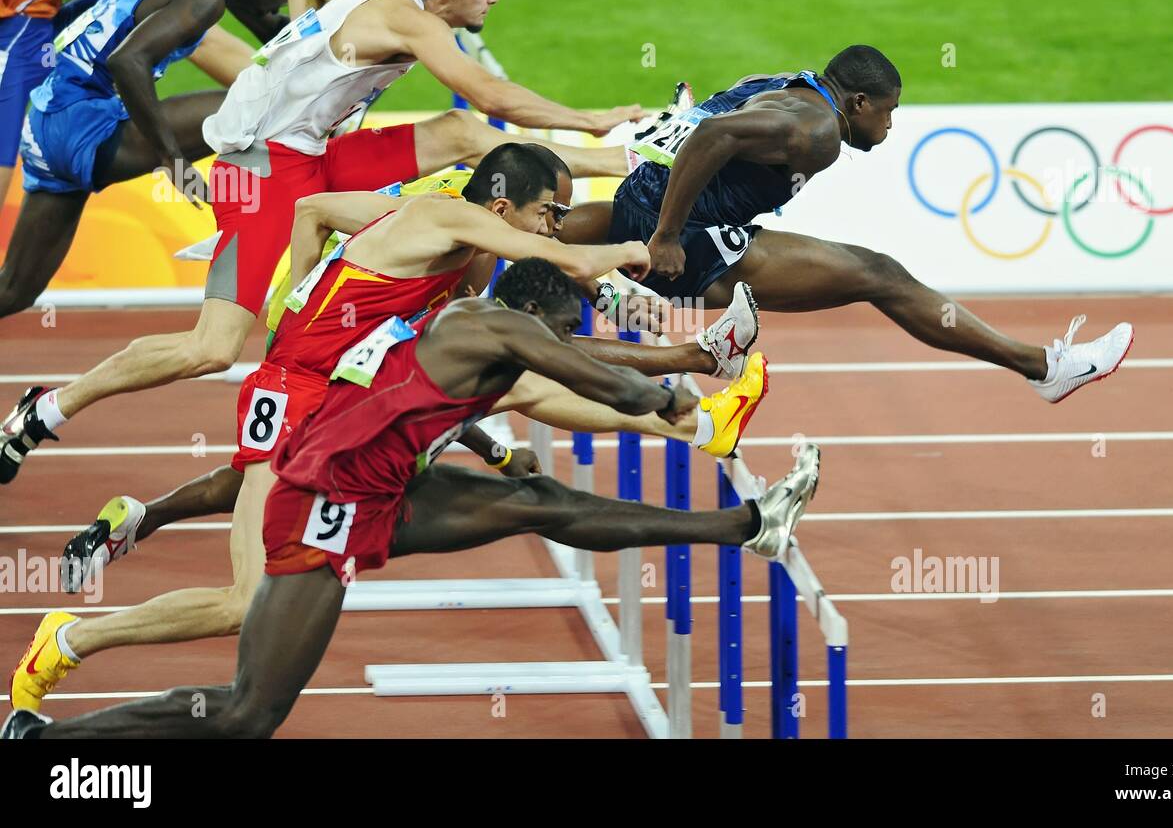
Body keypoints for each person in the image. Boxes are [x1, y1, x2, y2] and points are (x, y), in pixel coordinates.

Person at [9, 145, 766, 711]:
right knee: (247, 601)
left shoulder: (460, 261)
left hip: (343, 396)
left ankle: (699, 420)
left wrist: (296, 301)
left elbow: (320, 215)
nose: (554, 224)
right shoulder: (442, 215)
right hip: (299, 398)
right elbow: (548, 255)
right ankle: (72, 640)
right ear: (504, 206)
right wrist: (640, 248)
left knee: (518, 381)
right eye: (548, 210)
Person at [0, 0, 668, 480]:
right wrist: (590, 115)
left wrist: (300, 49)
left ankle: (633, 158)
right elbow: (496, 97)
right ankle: (49, 408)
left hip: (309, 148)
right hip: (263, 168)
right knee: (211, 347)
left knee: (461, 134)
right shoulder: (414, 23)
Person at [558, 45, 1135, 403]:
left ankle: (536, 239)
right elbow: (713, 135)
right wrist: (664, 237)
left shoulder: (783, 82)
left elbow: (706, 124)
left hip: (646, 198)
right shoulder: (819, 133)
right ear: (858, 102)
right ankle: (1045, 368)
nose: (890, 125)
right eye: (889, 112)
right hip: (682, 236)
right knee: (878, 275)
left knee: (567, 247)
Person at [0, 0, 307, 320]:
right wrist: (174, 162)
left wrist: (286, 30)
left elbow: (257, 13)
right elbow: (127, 62)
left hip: (49, 119)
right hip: (82, 121)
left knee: (13, 290)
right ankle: (242, 220)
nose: (283, 1)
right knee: (255, 102)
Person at [0, 0, 311, 206]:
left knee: (167, 22)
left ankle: (296, 94)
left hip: (42, 22)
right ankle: (296, 108)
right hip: (15, 20)